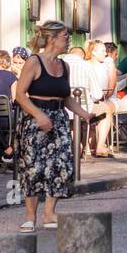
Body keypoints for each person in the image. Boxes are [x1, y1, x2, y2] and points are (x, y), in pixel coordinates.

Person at [15, 20, 98, 232]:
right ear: (52, 39)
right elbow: (20, 95)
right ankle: (30, 216)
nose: (68, 39)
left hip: (59, 119)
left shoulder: (64, 66)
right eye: (64, 35)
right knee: (34, 168)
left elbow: (66, 97)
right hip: (35, 120)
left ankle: (50, 213)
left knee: (61, 166)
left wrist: (84, 114)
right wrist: (39, 115)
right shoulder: (34, 62)